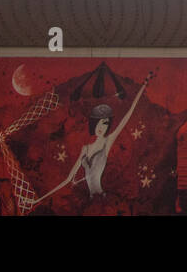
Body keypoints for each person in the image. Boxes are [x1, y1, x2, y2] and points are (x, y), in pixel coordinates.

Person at [33, 71, 152, 208]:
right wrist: (38, 199)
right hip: (91, 201)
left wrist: (143, 86)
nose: (102, 126)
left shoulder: (107, 142)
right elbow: (67, 180)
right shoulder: (85, 148)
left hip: (102, 199)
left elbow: (128, 115)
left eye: (106, 123)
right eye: (100, 122)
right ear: (94, 123)